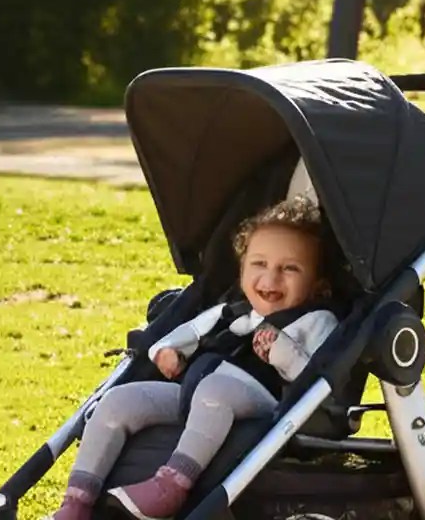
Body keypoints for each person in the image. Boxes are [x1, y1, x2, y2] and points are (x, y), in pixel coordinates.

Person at [46, 196, 340, 520]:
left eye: (290, 268)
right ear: (241, 269)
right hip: (197, 391)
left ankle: (171, 486)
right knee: (118, 400)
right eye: (259, 264)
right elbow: (188, 332)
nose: (270, 279)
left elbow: (320, 376)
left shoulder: (316, 318)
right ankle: (77, 502)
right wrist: (166, 351)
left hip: (266, 400)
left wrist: (283, 352)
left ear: (318, 285)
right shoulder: (232, 311)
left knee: (216, 390)